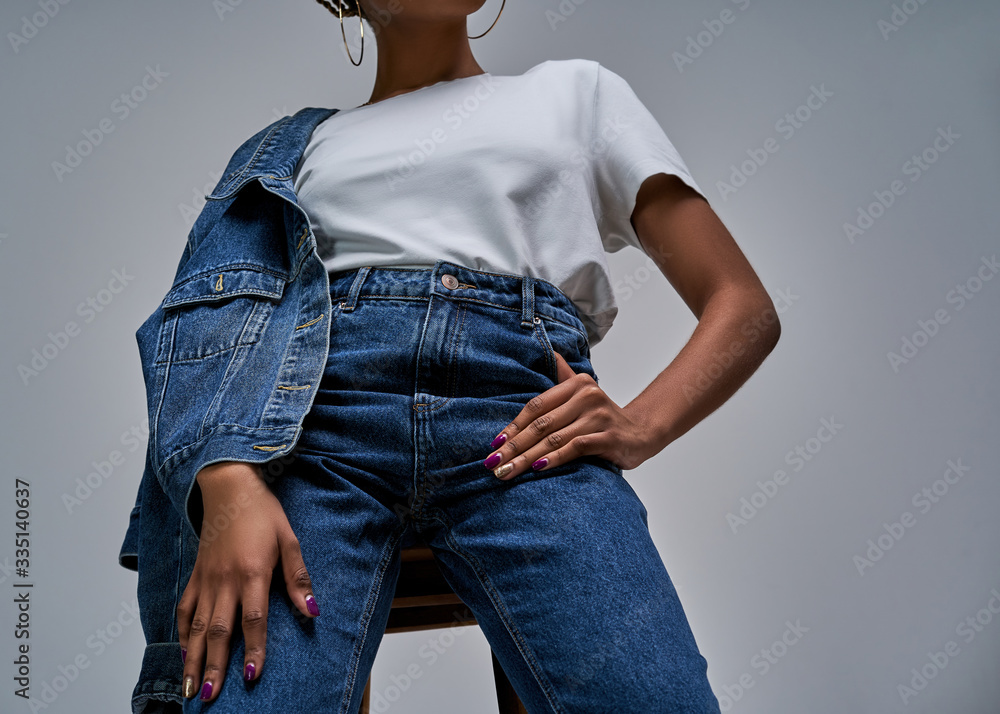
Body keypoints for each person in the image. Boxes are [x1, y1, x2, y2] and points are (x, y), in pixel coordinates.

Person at [162, 0, 781, 711]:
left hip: (521, 433)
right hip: (317, 441)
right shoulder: (287, 152)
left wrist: (642, 426)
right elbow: (208, 338)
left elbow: (742, 305)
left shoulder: (578, 95)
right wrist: (229, 483)